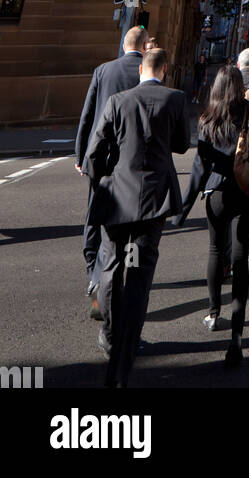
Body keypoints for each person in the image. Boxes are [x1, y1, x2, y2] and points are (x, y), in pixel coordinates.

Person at [83, 46, 189, 388]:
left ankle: (111, 334)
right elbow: (183, 144)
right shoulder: (175, 99)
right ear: (164, 69)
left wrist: (101, 180)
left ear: (141, 68)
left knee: (113, 265)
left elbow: (94, 153)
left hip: (118, 198)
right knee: (140, 271)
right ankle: (131, 339)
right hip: (153, 200)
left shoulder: (118, 101)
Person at [172, 64, 249, 368]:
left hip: (216, 194)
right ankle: (237, 333)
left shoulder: (207, 119)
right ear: (238, 85)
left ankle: (212, 313)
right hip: (246, 191)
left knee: (214, 250)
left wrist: (182, 210)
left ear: (217, 88)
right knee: (240, 257)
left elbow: (199, 169)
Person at [75, 25, 148, 301]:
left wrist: (81, 154)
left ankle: (93, 270)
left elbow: (88, 114)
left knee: (94, 214)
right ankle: (123, 274)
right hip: (132, 159)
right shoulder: (147, 73)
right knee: (131, 220)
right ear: (143, 46)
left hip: (101, 154)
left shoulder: (104, 70)